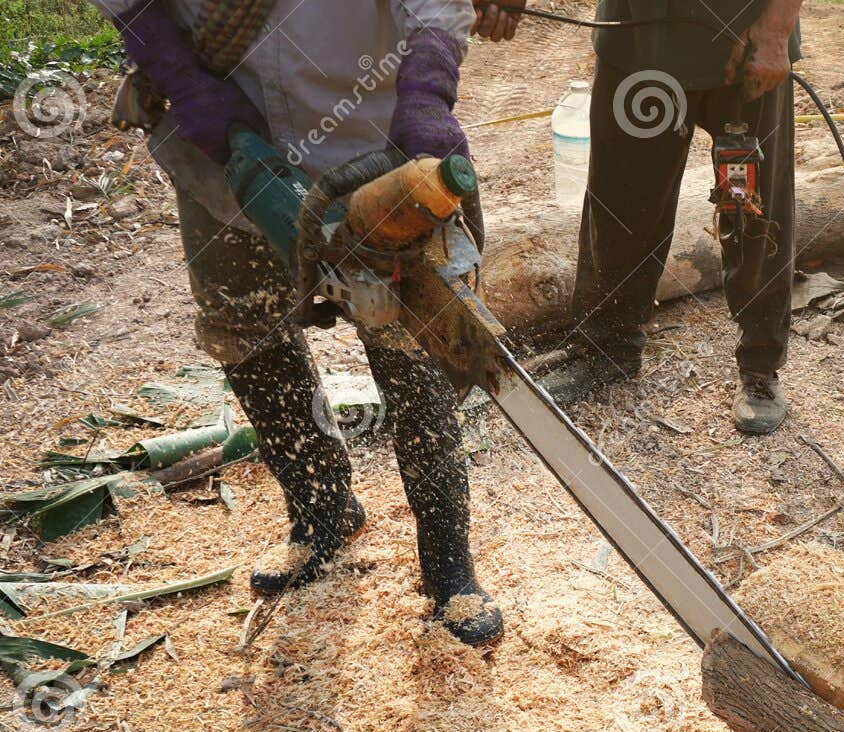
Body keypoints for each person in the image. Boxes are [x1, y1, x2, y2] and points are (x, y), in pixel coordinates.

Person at [96, 0, 503, 646]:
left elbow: (437, 7)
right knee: (242, 320)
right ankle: (322, 506)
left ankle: (448, 560)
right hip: (225, 144)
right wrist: (177, 74)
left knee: (406, 334)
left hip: (362, 128)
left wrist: (426, 91)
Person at [490, 0, 804, 435]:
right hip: (638, 37)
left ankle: (760, 363)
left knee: (751, 203)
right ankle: (606, 348)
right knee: (622, 197)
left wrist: (776, 30)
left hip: (745, 37)